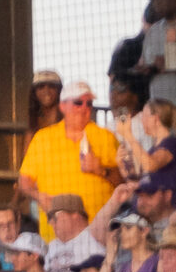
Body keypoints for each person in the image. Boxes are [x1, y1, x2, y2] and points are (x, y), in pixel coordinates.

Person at [16, 79, 118, 224]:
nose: (84, 108)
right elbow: (24, 180)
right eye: (78, 103)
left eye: (89, 103)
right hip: (56, 230)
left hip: (97, 230)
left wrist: (101, 170)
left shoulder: (106, 137)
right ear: (62, 106)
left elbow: (123, 182)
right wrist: (37, 196)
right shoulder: (43, 138)